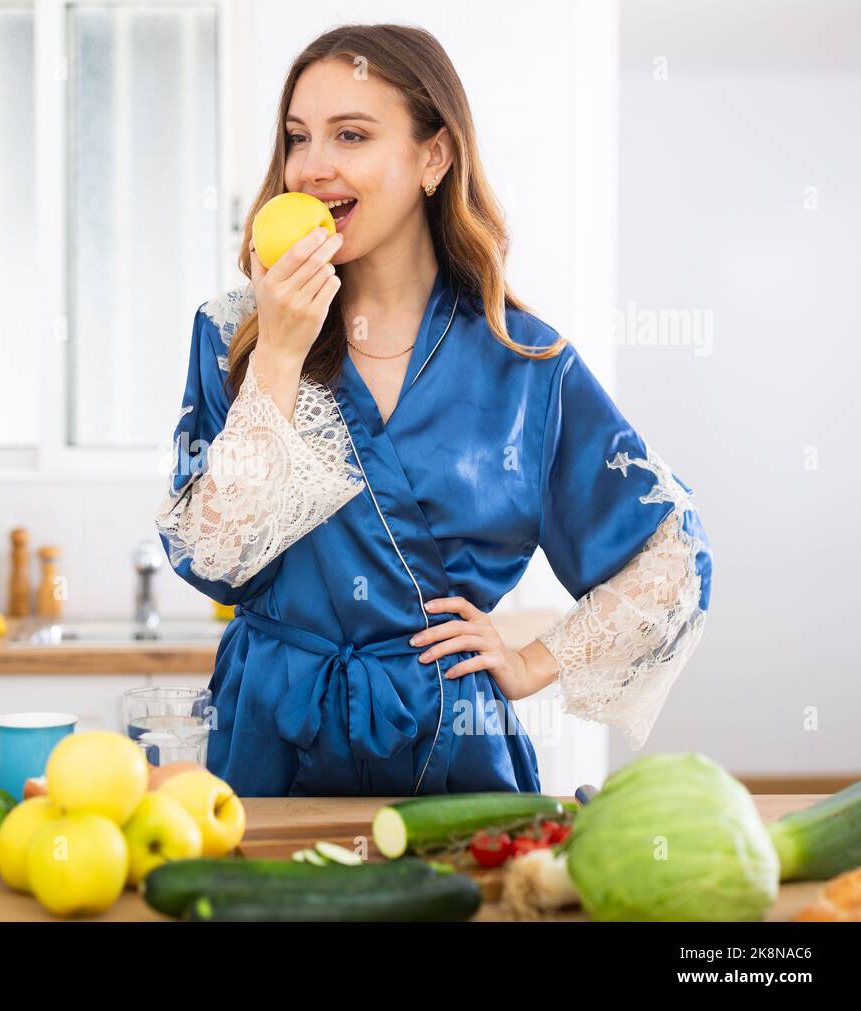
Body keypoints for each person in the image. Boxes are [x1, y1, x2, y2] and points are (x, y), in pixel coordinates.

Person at [154, 23, 712, 797]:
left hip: (452, 751)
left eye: (350, 135)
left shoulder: (527, 364)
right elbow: (214, 558)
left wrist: (532, 661)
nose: (311, 168)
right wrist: (280, 355)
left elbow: (671, 558)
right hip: (267, 741)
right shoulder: (233, 336)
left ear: (433, 156)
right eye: (296, 137)